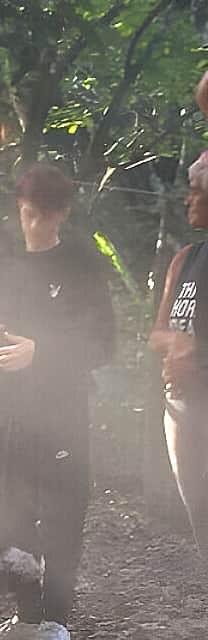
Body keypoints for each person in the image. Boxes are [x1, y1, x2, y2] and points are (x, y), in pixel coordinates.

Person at [0, 163, 115, 640]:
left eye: (45, 217)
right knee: (11, 518)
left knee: (61, 515)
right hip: (10, 409)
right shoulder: (0, 260)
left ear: (63, 214)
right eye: (28, 214)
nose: (35, 226)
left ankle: (56, 621)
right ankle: (25, 616)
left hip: (63, 410)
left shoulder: (82, 265)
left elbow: (103, 343)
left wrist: (43, 351)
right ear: (19, 209)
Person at [149, 150, 208, 554]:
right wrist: (174, 342)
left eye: (195, 191)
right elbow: (157, 332)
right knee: (201, 519)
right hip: (181, 405)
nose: (188, 199)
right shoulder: (186, 259)